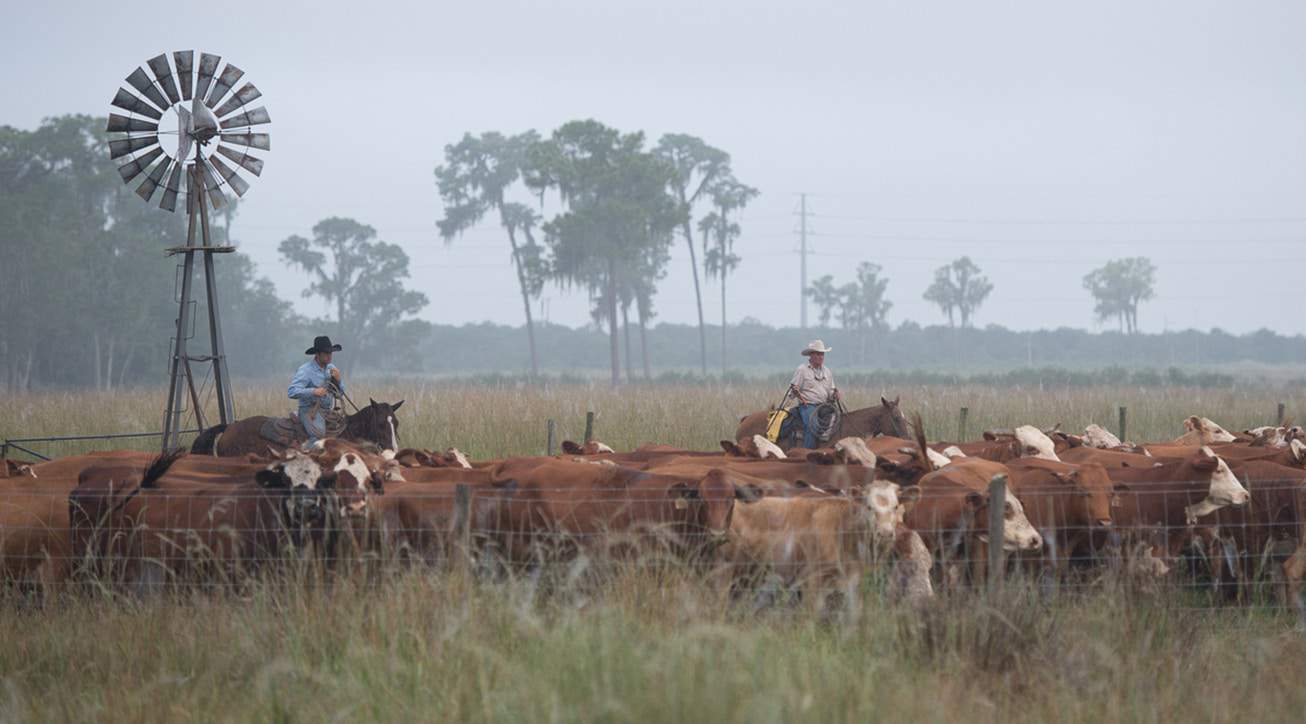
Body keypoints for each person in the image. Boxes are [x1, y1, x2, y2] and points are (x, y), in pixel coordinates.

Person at [288, 336, 345, 446]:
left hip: (327, 410)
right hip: (309, 410)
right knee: (319, 435)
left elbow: (340, 395)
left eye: (330, 353)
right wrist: (314, 391)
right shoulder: (306, 370)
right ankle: (304, 451)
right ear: (317, 354)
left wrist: (338, 381)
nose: (329, 356)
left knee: (344, 428)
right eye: (326, 353)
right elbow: (292, 391)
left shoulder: (332, 368)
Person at [785, 339, 841, 449]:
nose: (821, 357)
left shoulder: (827, 372)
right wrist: (795, 391)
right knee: (811, 425)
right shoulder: (802, 370)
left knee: (839, 419)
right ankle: (807, 453)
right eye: (818, 354)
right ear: (811, 355)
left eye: (822, 354)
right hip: (808, 406)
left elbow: (831, 391)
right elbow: (792, 392)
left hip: (825, 405)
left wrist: (835, 395)